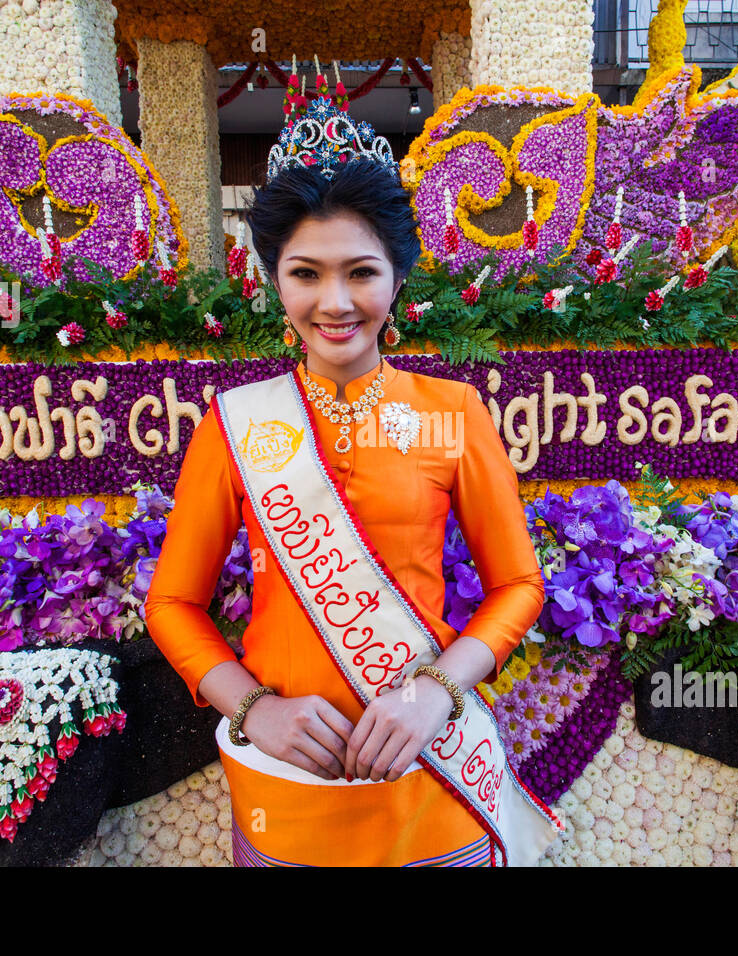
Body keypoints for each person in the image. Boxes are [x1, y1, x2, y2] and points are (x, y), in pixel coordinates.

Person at [144, 99, 558, 866]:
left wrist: (437, 689)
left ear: (396, 278)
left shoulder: (452, 412)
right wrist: (252, 708)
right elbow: (172, 603)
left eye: (360, 272)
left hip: (433, 777)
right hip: (284, 788)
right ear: (275, 281)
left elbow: (518, 586)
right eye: (306, 274)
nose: (334, 303)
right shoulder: (233, 423)